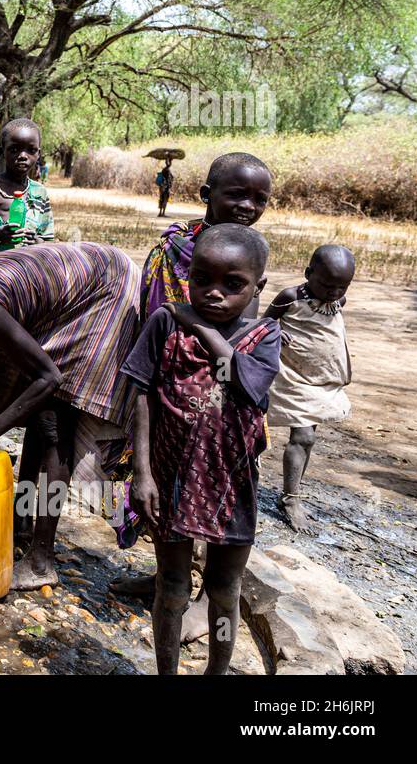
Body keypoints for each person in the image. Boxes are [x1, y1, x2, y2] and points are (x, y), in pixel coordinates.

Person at [0, 242, 142, 589]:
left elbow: (49, 378)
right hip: (75, 290)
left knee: (54, 421)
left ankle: (40, 561)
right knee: (40, 414)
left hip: (104, 290)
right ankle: (21, 523)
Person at [122, 224, 281, 675]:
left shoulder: (265, 336)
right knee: (171, 584)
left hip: (231, 484)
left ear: (258, 286)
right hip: (169, 478)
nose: (214, 294)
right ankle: (166, 671)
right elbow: (141, 393)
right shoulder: (165, 323)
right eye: (201, 280)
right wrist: (143, 472)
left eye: (233, 285)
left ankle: (217, 671)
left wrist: (201, 327)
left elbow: (247, 384)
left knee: (225, 589)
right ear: (187, 274)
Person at [264, 245, 356, 534]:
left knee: (308, 440)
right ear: (308, 274)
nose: (333, 293)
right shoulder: (291, 297)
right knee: (301, 435)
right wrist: (277, 332)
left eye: (341, 287)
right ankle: (291, 500)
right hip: (290, 379)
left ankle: (291, 494)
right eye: (327, 285)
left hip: (319, 380)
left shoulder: (338, 301)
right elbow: (264, 323)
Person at [141, 152, 272, 321]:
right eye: (236, 194)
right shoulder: (175, 243)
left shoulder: (250, 252)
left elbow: (244, 328)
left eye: (260, 200)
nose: (249, 206)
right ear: (205, 194)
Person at [0, 118, 55, 261]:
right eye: (14, 149)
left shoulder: (39, 193)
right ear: (1, 152)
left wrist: (35, 241)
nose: (23, 156)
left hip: (24, 270)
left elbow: (47, 240)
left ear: (38, 154)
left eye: (31, 150)